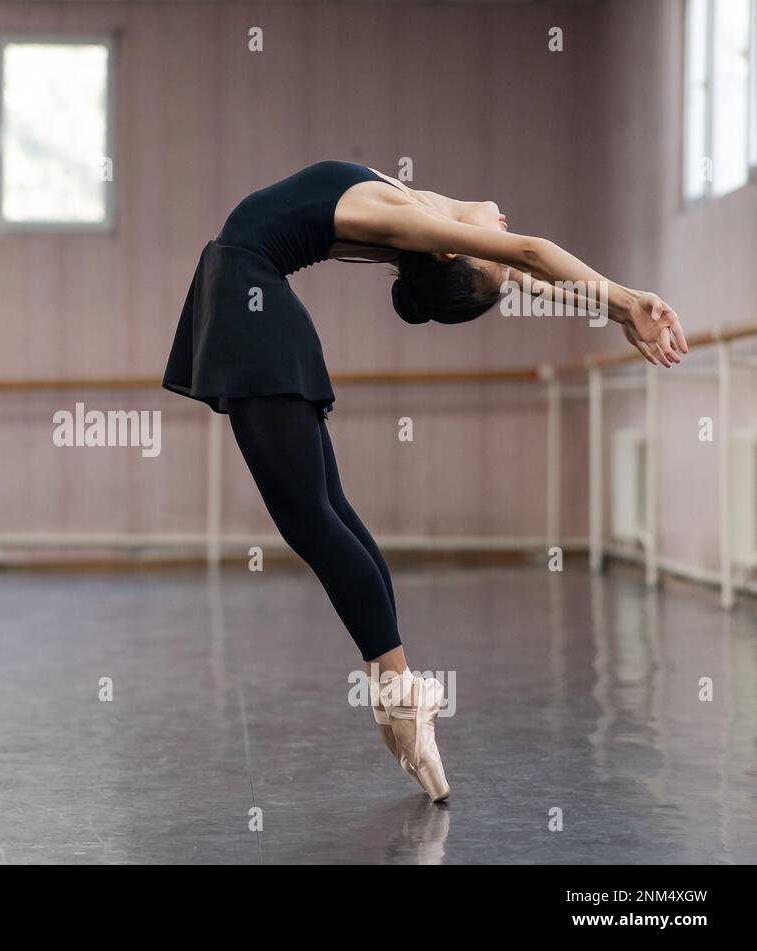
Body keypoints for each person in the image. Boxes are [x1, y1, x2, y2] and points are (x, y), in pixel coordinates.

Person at [162, 160, 688, 801]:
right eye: (493, 260)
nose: (504, 227)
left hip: (252, 301)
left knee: (316, 516)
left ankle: (399, 693)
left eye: (485, 257)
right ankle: (397, 695)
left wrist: (624, 303)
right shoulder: (415, 219)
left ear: (447, 252)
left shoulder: (412, 223)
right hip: (252, 297)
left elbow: (528, 257)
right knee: (323, 512)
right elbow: (528, 267)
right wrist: (613, 304)